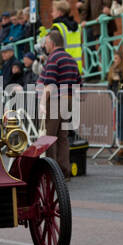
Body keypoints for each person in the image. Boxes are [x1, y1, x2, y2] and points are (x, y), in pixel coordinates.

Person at [37, 28, 80, 173]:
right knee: (63, 137)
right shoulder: (71, 59)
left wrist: (42, 103)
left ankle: (51, 172)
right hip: (68, 100)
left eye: (46, 42)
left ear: (52, 43)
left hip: (55, 100)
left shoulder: (53, 58)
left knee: (49, 136)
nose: (45, 46)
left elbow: (50, 84)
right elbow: (79, 84)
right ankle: (63, 171)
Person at [35, 0, 84, 74]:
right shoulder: (76, 25)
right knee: (74, 86)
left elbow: (50, 47)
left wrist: (42, 39)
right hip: (76, 66)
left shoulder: (57, 27)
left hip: (62, 66)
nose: (52, 13)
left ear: (60, 13)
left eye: (53, 11)